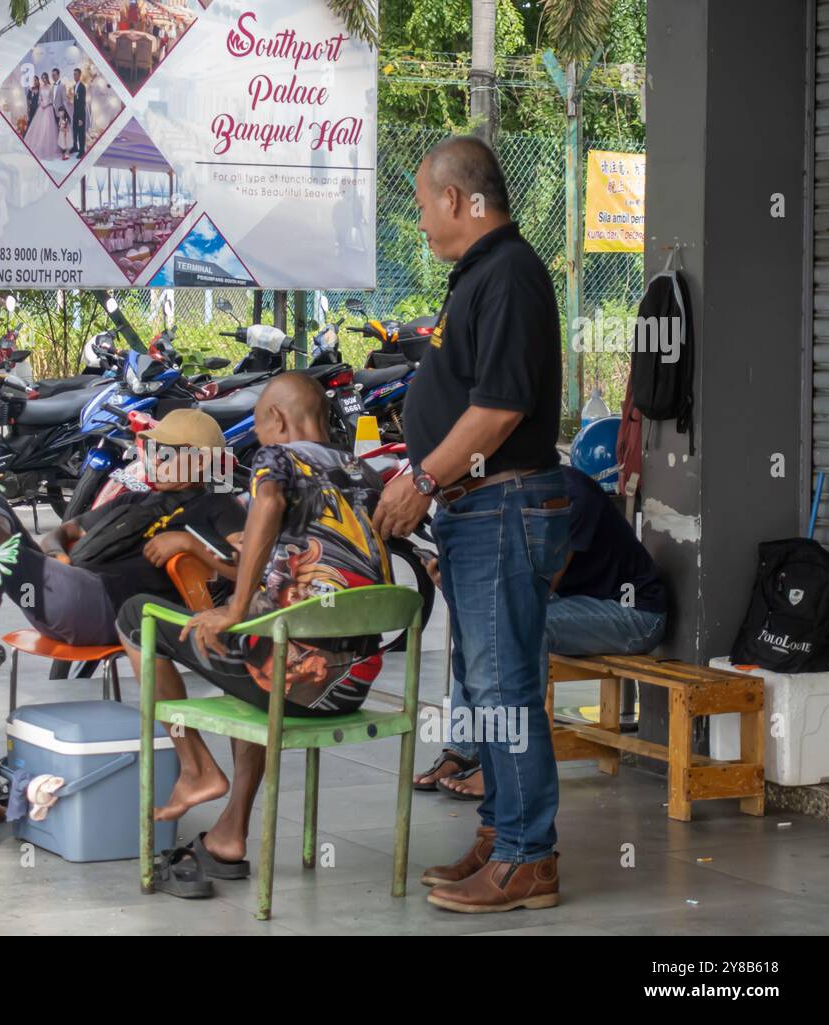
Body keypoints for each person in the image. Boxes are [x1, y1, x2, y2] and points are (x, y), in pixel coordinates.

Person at [371, 135, 568, 914]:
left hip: (503, 503)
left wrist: (424, 478)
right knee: (486, 688)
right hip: (480, 509)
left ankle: (529, 858)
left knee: (505, 688)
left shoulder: (511, 274)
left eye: (422, 204)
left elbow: (500, 406)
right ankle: (502, 834)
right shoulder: (482, 275)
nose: (419, 220)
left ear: (456, 199)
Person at [116, 373, 391, 871]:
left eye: (261, 431)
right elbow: (288, 565)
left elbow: (265, 502)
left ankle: (195, 766)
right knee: (253, 644)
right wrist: (234, 587)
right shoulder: (364, 474)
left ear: (277, 420)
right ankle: (229, 834)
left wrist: (236, 607)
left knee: (137, 616)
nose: (259, 446)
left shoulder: (278, 460)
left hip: (294, 682)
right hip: (352, 686)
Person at [416, 465, 668, 800]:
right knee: (481, 621)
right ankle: (462, 749)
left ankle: (510, 767)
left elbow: (539, 588)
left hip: (633, 615)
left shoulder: (572, 494)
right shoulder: (506, 496)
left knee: (521, 623)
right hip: (576, 603)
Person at [0, 409, 243, 647]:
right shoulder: (135, 499)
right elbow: (66, 531)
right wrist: (54, 553)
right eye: (153, 449)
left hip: (101, 607)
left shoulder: (217, 505)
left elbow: (247, 567)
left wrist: (188, 543)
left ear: (200, 462)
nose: (155, 459)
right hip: (46, 597)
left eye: (167, 453)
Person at [71, 68, 89, 158]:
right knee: (74, 131)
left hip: (81, 113)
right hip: (75, 112)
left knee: (81, 133)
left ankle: (82, 151)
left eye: (76, 74)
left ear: (80, 75)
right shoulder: (75, 86)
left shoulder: (82, 87)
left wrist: (81, 118)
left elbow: (82, 102)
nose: (74, 76)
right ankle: (75, 147)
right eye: (74, 74)